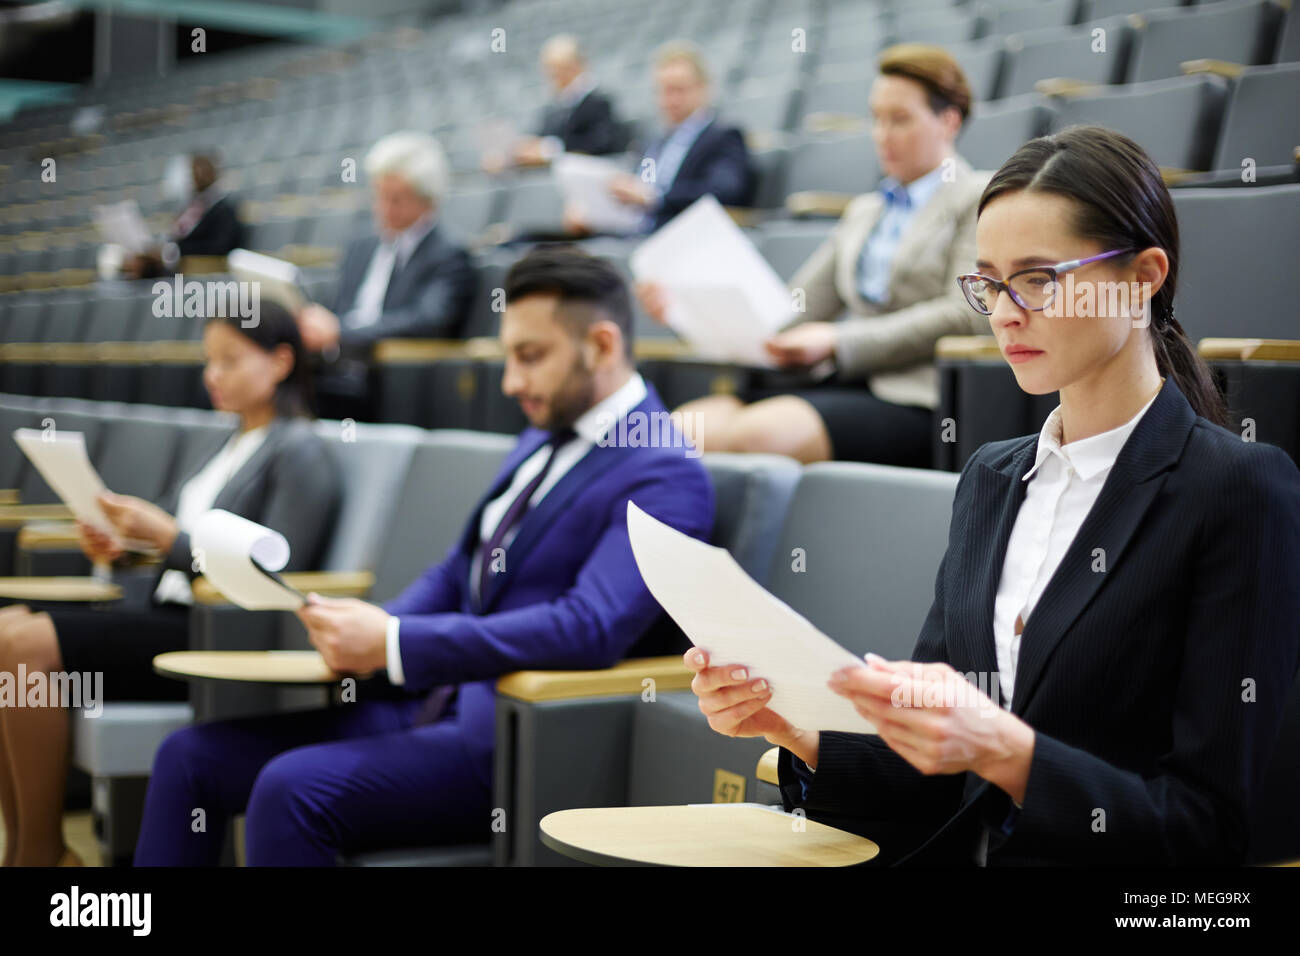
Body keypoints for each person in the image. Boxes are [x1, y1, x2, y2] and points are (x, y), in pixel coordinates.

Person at [684, 125, 1300, 865]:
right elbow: (941, 781)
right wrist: (794, 727)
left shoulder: (1237, 489)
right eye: (988, 283)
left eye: (1039, 278)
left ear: (1143, 278)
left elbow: (1208, 831)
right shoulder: (991, 477)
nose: (1005, 312)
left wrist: (1011, 753)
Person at [132, 246, 714, 866]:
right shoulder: (542, 434)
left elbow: (589, 627)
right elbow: (457, 568)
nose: (511, 382)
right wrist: (374, 634)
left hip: (512, 735)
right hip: (421, 700)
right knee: (187, 758)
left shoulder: (664, 473)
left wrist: (396, 643)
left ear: (601, 345)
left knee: (289, 789)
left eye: (530, 356)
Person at [0, 300, 342, 867]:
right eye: (209, 362)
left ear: (281, 361)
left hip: (214, 633)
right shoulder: (227, 443)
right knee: (7, 625)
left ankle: (41, 850)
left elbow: (274, 576)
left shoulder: (300, 449)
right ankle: (24, 847)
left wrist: (165, 538)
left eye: (230, 361)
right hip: (166, 611)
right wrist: (125, 547)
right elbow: (179, 543)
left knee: (22, 646)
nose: (213, 375)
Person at [637, 44, 989, 465]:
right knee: (674, 430)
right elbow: (789, 312)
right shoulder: (865, 211)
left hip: (917, 394)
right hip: (840, 382)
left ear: (948, 120)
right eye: (876, 119)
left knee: (757, 434)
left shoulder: (978, 197)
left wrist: (839, 340)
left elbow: (966, 313)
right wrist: (686, 312)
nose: (882, 135)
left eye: (899, 120)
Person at [296, 131, 475, 421]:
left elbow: (429, 321)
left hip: (380, 378)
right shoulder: (360, 246)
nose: (383, 209)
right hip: (332, 367)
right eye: (379, 196)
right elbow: (337, 307)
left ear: (427, 201)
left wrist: (341, 333)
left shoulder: (448, 253)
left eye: (396, 200)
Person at [564, 42, 755, 236]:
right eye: (663, 91)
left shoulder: (723, 136)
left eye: (679, 90)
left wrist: (656, 197)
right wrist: (595, 211)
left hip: (682, 235)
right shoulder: (654, 142)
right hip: (635, 233)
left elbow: (724, 192)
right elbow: (640, 187)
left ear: (703, 89)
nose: (670, 100)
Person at [483, 34, 625, 172]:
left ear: (575, 66)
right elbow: (539, 137)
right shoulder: (555, 107)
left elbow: (600, 143)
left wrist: (548, 151)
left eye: (556, 69)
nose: (551, 76)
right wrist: (512, 156)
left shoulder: (599, 102)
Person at [121, 152, 245, 279]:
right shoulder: (190, 206)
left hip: (194, 268)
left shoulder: (224, 208)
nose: (197, 175)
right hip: (173, 263)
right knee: (132, 262)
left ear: (215, 172)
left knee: (141, 268)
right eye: (193, 170)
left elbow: (220, 246)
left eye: (203, 170)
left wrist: (174, 253)